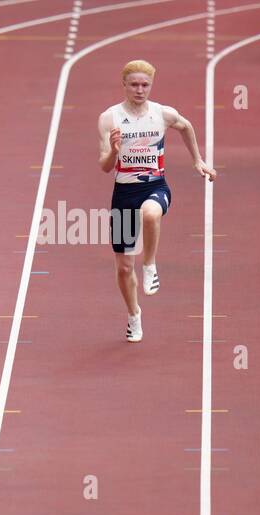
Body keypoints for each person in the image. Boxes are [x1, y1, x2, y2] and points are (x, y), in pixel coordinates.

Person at [97, 59, 216, 342]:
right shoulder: (109, 118)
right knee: (125, 267)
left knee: (151, 214)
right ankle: (134, 315)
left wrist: (197, 160)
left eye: (145, 85)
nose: (140, 90)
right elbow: (104, 166)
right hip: (124, 194)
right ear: (124, 85)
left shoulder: (162, 113)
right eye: (134, 84)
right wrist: (114, 151)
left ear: (151, 85)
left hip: (155, 186)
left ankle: (150, 265)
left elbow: (186, 127)